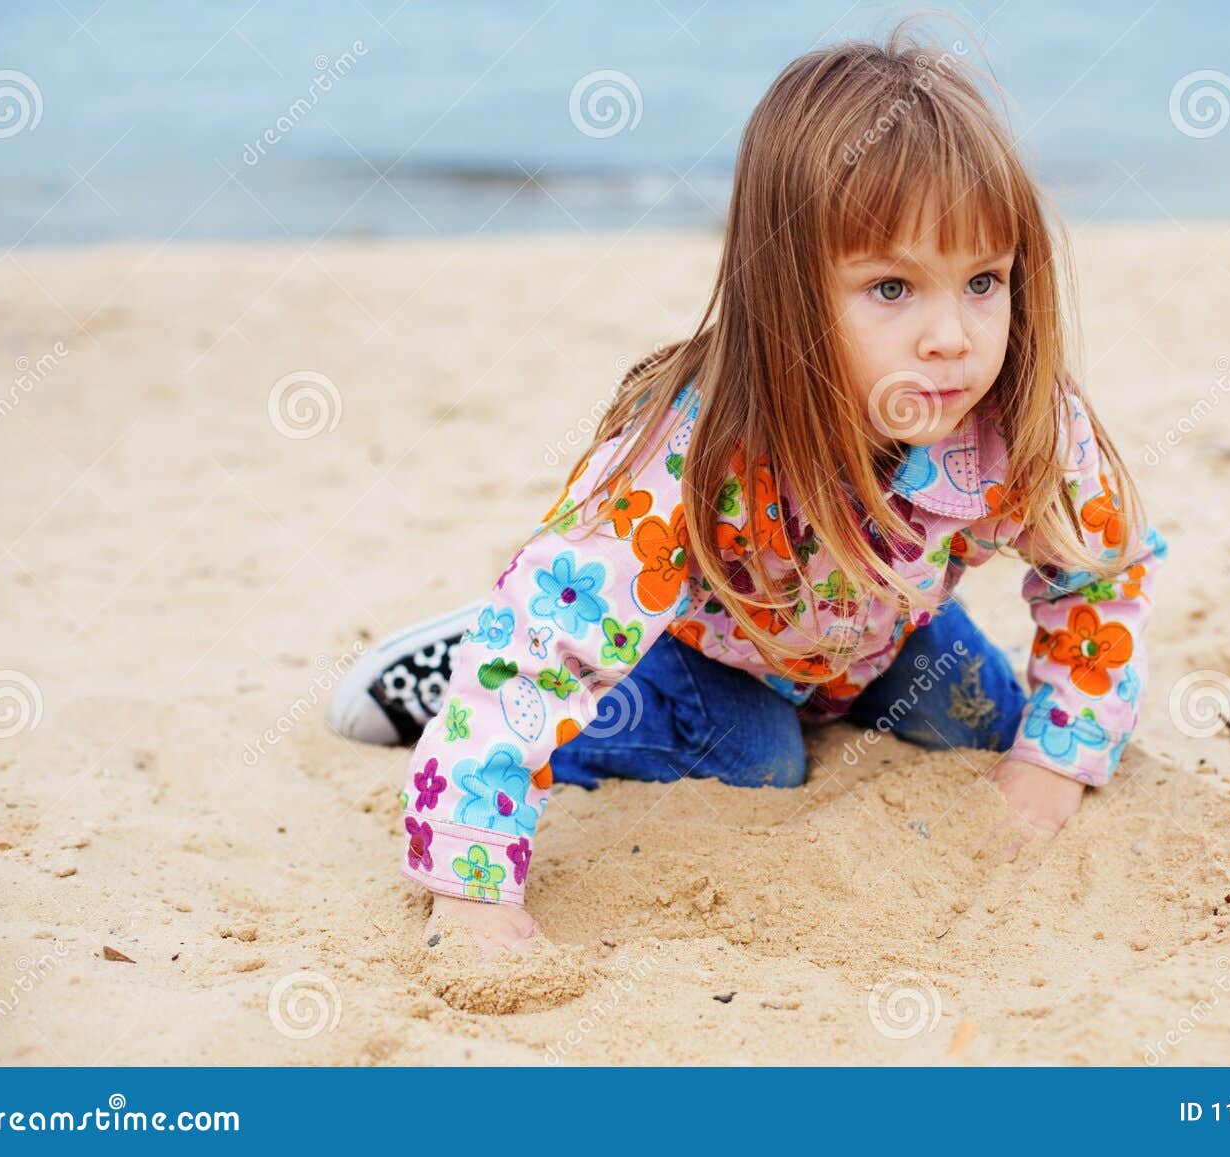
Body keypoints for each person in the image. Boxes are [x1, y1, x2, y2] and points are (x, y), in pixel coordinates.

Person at [333, 22, 1170, 957]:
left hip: (880, 637)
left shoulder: (1015, 417)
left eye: (982, 280)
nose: (952, 337)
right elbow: (548, 648)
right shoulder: (702, 445)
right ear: (788, 291)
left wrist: (1057, 760)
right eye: (892, 289)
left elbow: (1098, 570)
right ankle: (455, 660)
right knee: (760, 758)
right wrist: (473, 883)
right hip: (703, 650)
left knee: (989, 723)